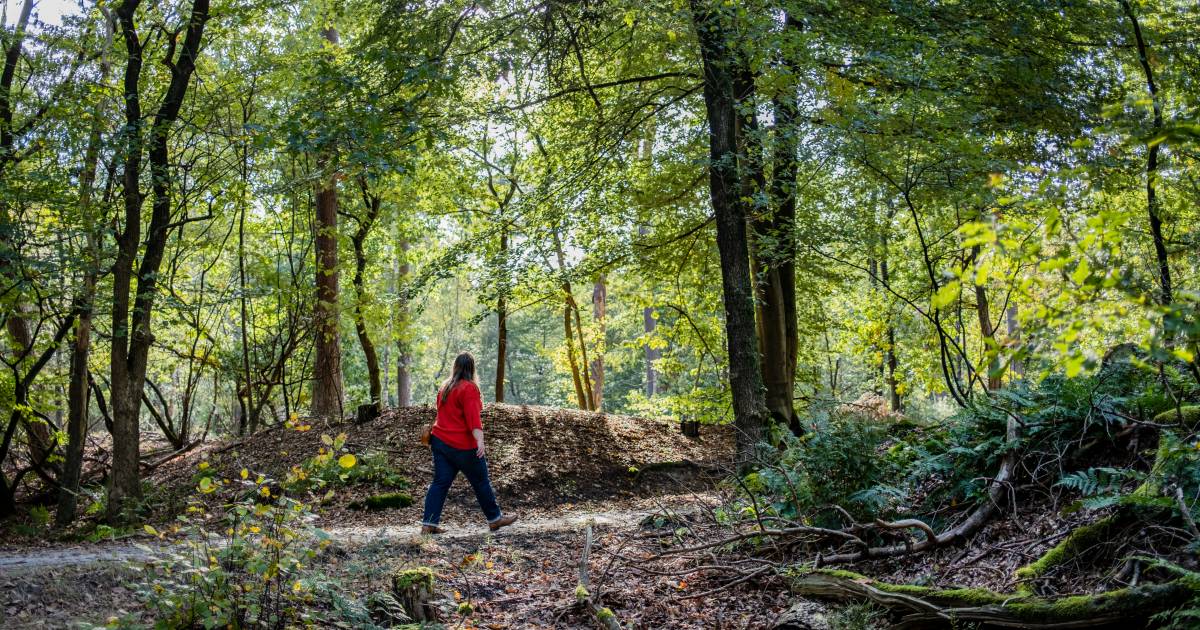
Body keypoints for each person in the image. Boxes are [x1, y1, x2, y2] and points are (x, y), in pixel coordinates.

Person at [421, 351, 517, 534]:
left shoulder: (445, 387)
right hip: (462, 446)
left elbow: (442, 414)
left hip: (440, 443)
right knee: (481, 481)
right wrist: (480, 441)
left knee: (440, 483)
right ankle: (495, 519)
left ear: (455, 366)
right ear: (472, 368)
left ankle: (428, 524)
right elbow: (473, 419)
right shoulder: (469, 388)